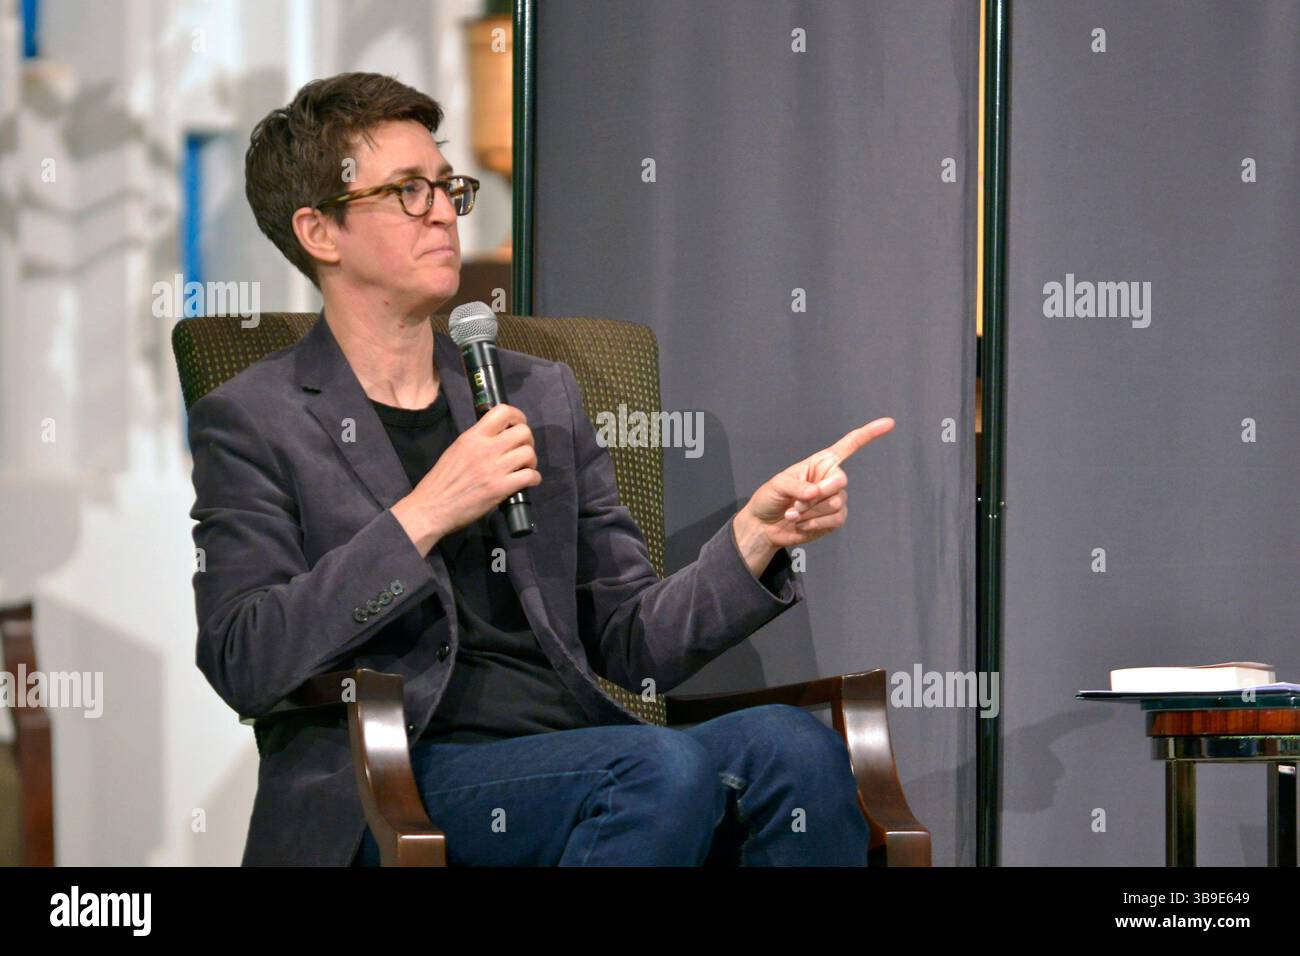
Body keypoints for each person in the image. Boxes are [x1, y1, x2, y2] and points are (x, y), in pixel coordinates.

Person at [188, 71, 895, 866]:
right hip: (400, 774)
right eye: (408, 191)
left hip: (573, 750)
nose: (444, 211)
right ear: (320, 231)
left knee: (791, 747)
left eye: (447, 185)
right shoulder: (254, 418)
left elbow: (630, 639)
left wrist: (752, 538)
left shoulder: (533, 390)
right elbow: (245, 657)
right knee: (655, 768)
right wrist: (425, 513)